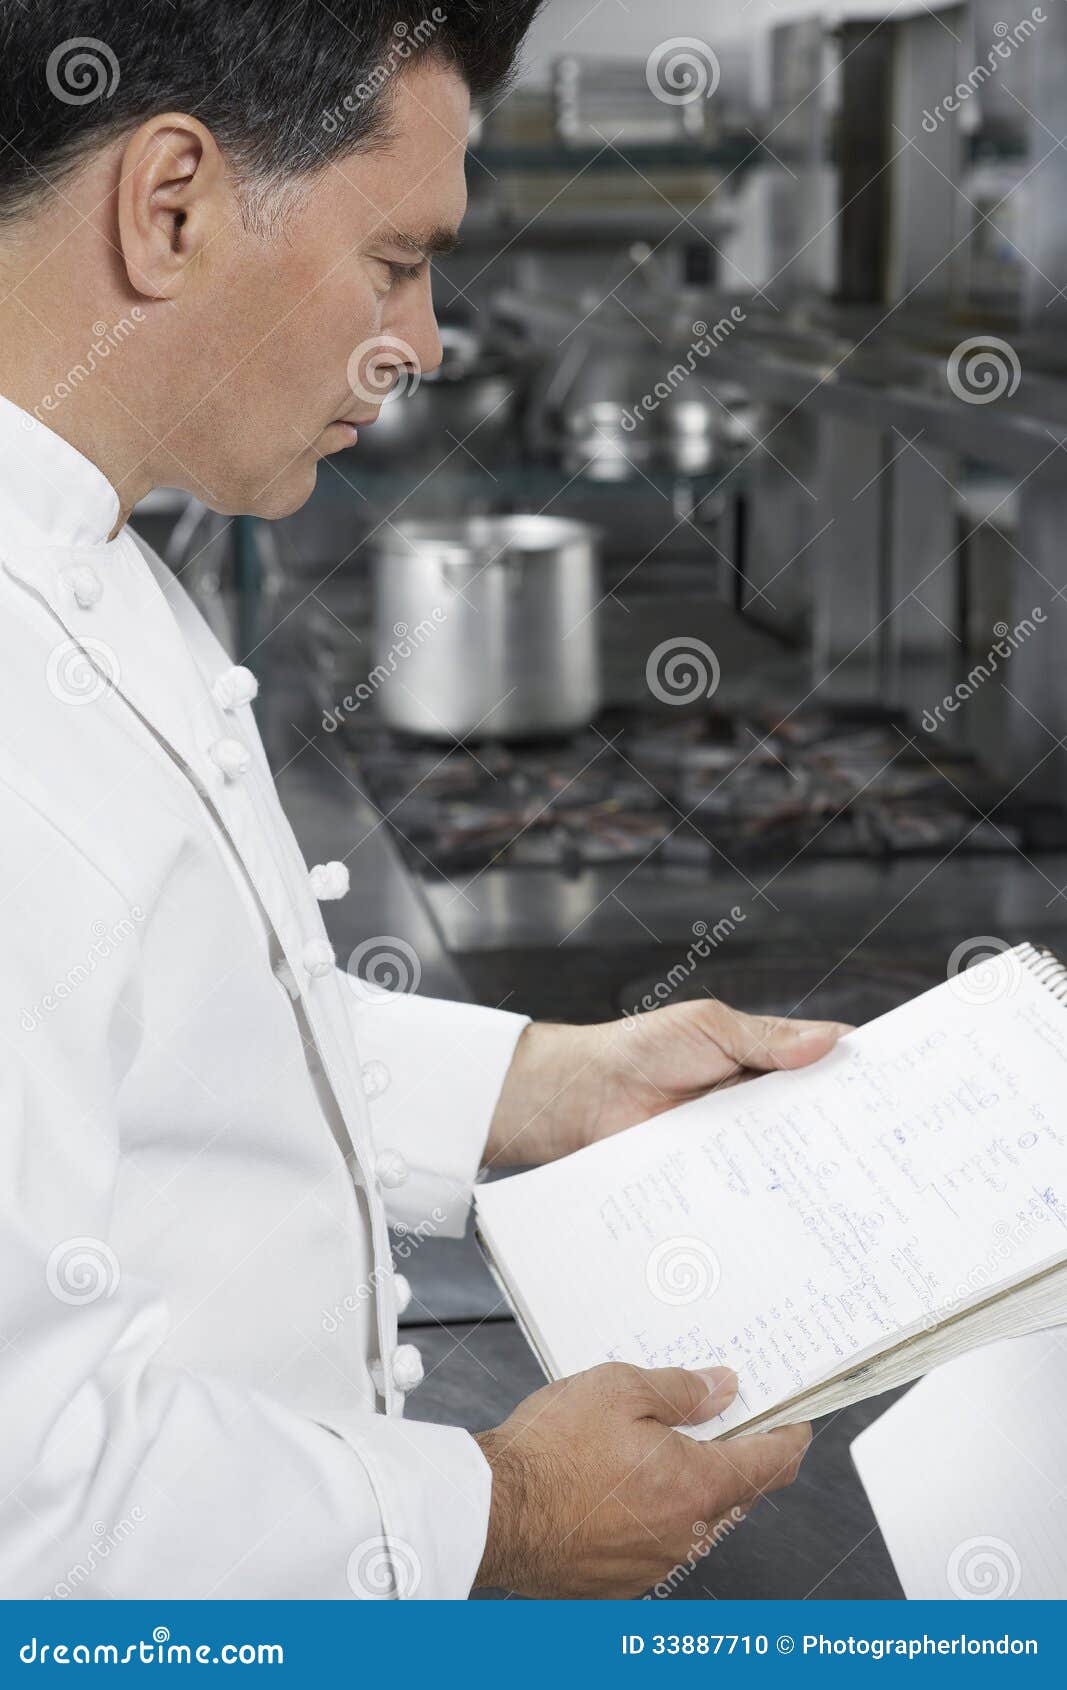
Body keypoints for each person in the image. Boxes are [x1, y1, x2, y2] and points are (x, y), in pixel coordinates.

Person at [0, 1, 840, 1600]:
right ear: (168, 204)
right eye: (396, 262)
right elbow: (27, 1505)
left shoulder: (96, 541)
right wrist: (497, 1520)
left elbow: (160, 1031)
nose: (429, 339)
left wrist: (544, 1083)